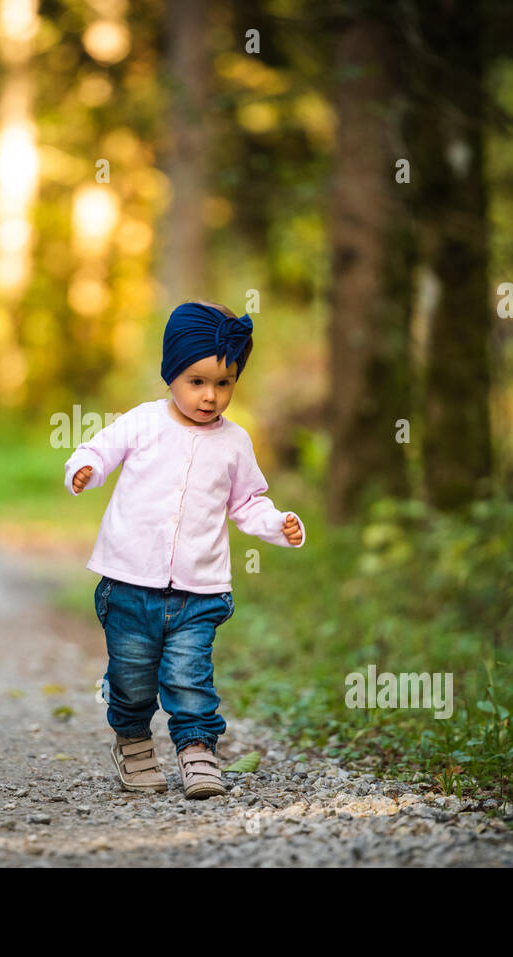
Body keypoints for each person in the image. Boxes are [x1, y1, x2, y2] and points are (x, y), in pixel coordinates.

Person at [64, 300, 305, 799]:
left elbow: (247, 502)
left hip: (199, 591)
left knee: (190, 679)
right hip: (129, 585)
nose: (211, 396)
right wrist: (83, 470)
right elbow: (97, 450)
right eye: (197, 381)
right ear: (172, 373)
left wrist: (278, 524)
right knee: (131, 680)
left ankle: (197, 751)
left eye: (224, 383)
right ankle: (132, 740)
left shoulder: (235, 443)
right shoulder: (144, 422)